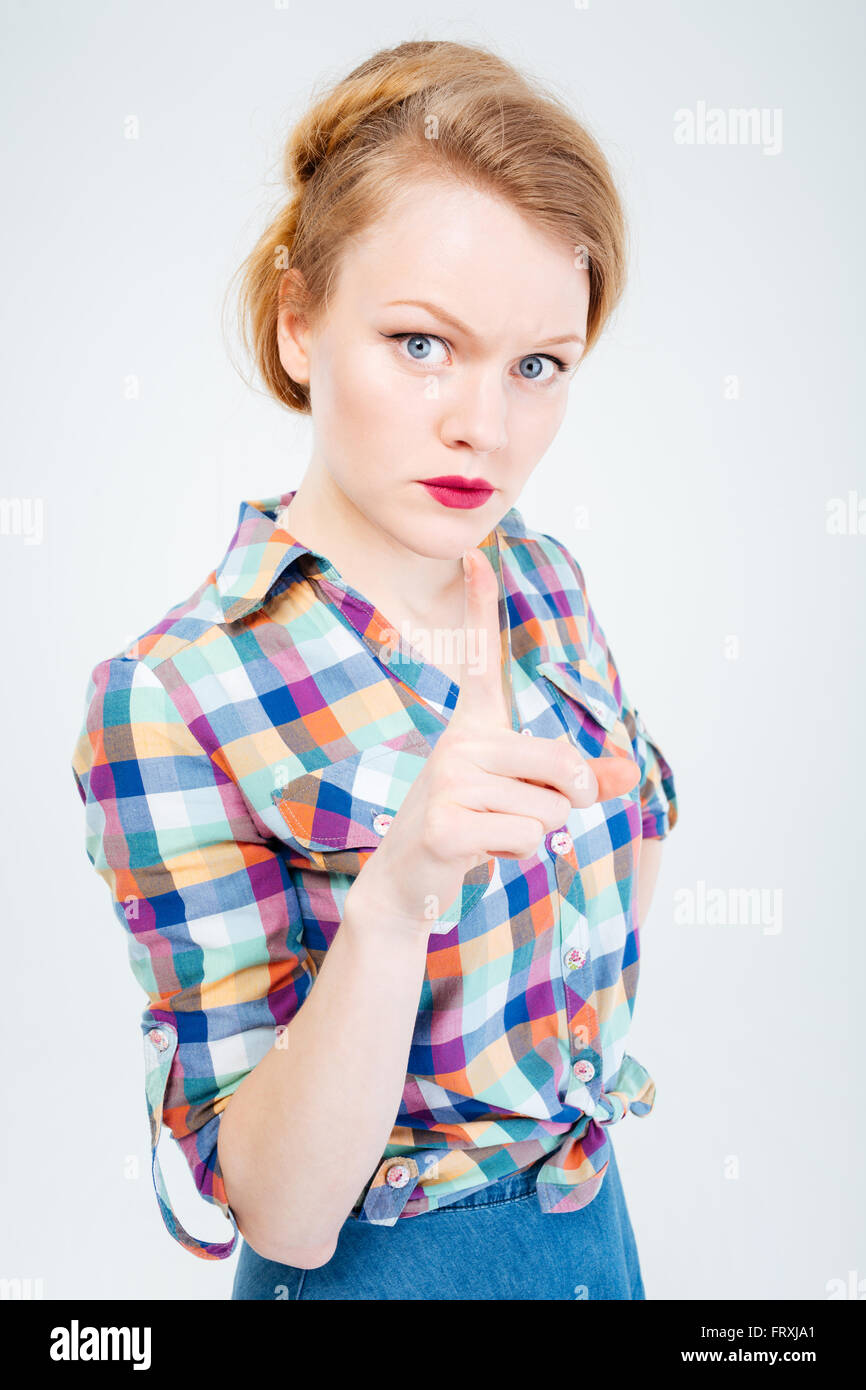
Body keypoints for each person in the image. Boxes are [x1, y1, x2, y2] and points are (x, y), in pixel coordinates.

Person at [70, 38, 679, 1301]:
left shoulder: (544, 580)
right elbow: (283, 1213)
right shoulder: (174, 696)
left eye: (536, 366)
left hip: (596, 1250)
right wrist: (397, 891)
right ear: (299, 322)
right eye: (418, 344)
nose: (484, 425)